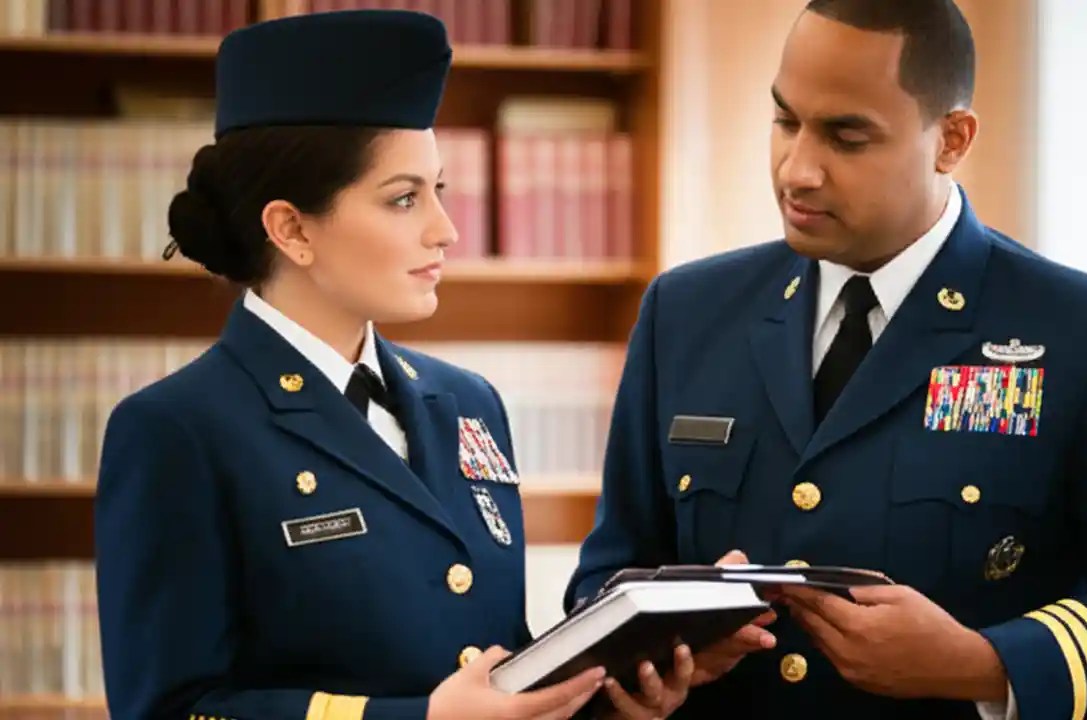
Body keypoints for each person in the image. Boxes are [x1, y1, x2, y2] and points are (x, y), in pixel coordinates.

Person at [565, 0, 1087, 717]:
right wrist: (649, 666)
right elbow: (609, 577)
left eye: (846, 137)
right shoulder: (686, 311)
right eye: (785, 121)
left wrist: (983, 664)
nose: (798, 170)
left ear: (951, 139)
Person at [93, 10, 692, 720]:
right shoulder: (177, 431)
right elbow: (169, 709)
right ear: (291, 229)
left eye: (440, 191)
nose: (445, 229)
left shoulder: (467, 402)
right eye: (404, 198)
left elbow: (493, 664)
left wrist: (608, 698)